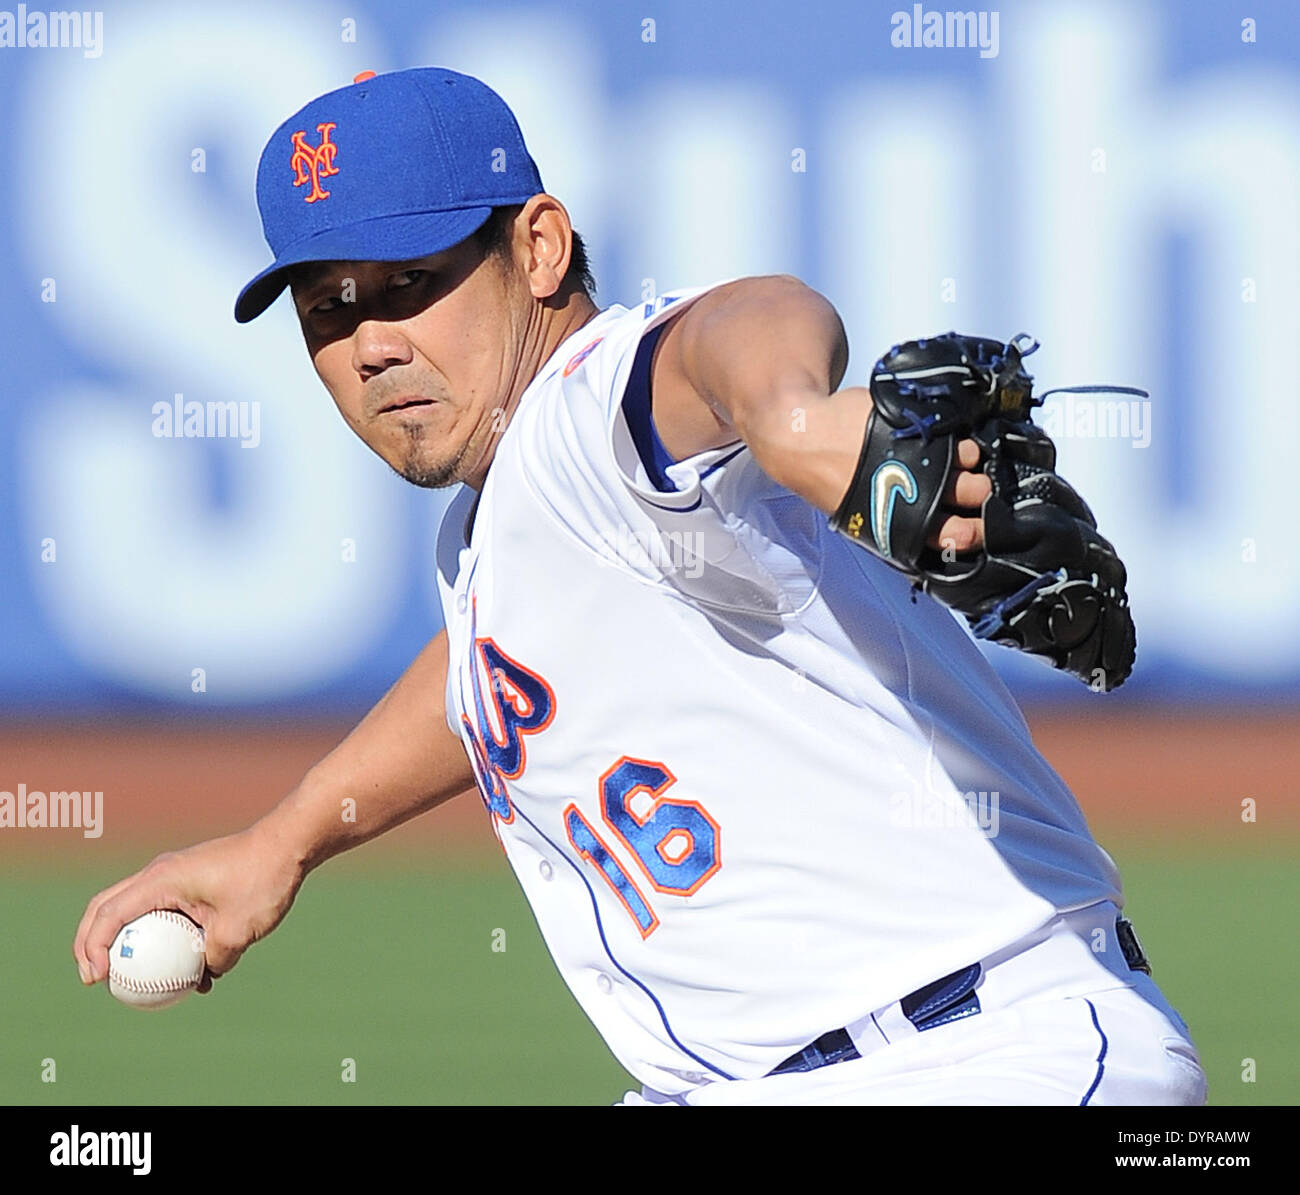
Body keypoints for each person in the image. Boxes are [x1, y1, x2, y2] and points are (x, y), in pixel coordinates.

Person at [74, 67, 1206, 1106]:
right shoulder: (500, 529)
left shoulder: (583, 412)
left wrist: (792, 417)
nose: (370, 343)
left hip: (980, 1058)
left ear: (540, 248)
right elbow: (493, 675)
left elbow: (736, 328)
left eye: (409, 284)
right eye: (329, 309)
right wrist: (285, 841)